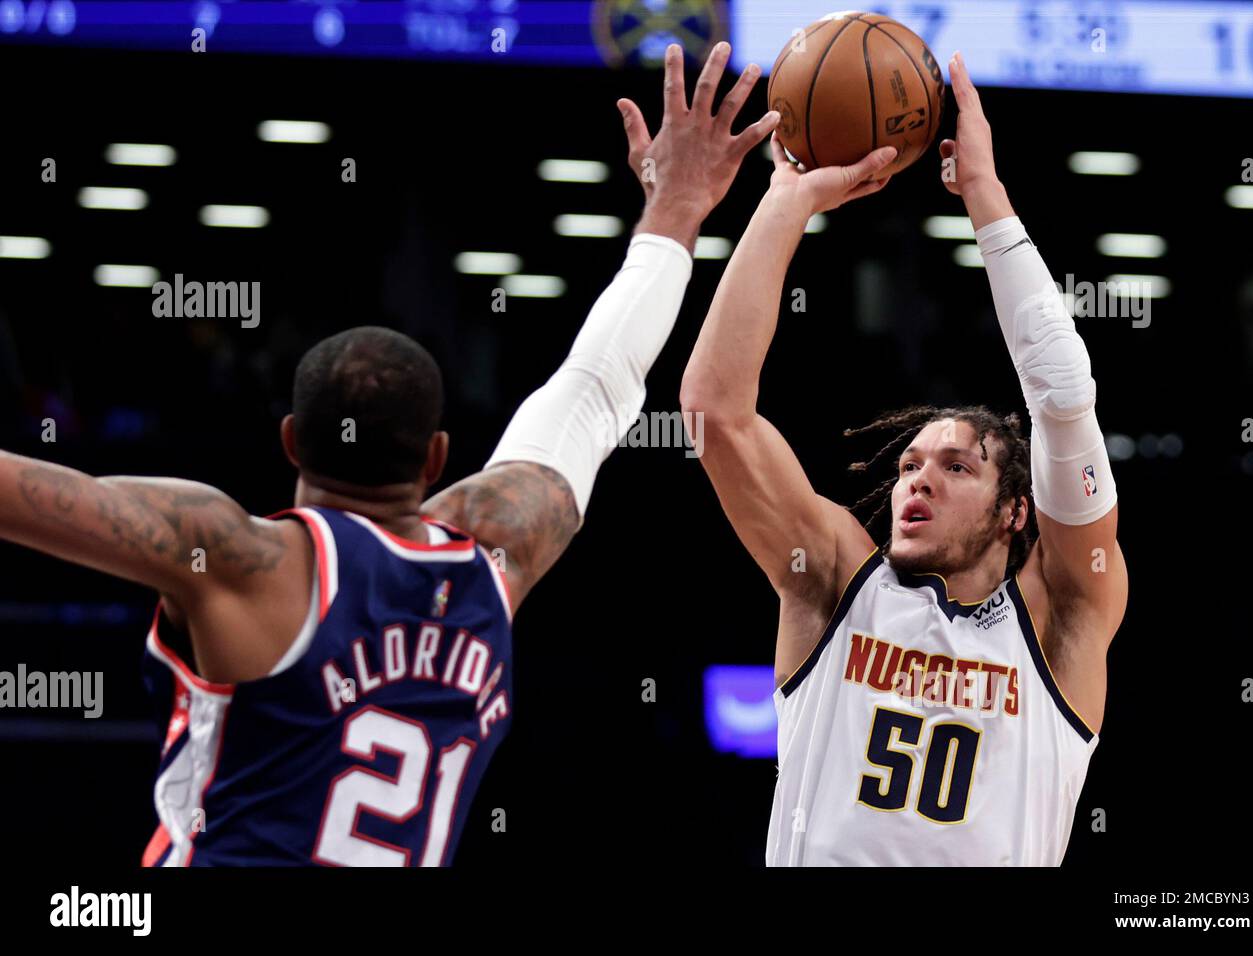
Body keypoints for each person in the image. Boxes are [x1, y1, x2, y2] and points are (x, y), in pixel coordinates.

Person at [0, 41, 779, 866]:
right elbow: (595, 387)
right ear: (438, 456)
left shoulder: (237, 556)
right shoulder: (497, 555)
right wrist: (676, 211)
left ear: (291, 439)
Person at [680, 52, 1126, 865]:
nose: (918, 476)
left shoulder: (1062, 623)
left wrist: (985, 198)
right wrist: (785, 202)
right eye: (912, 463)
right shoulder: (836, 583)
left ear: (1014, 512)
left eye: (957, 467)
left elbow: (1062, 395)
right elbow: (714, 416)